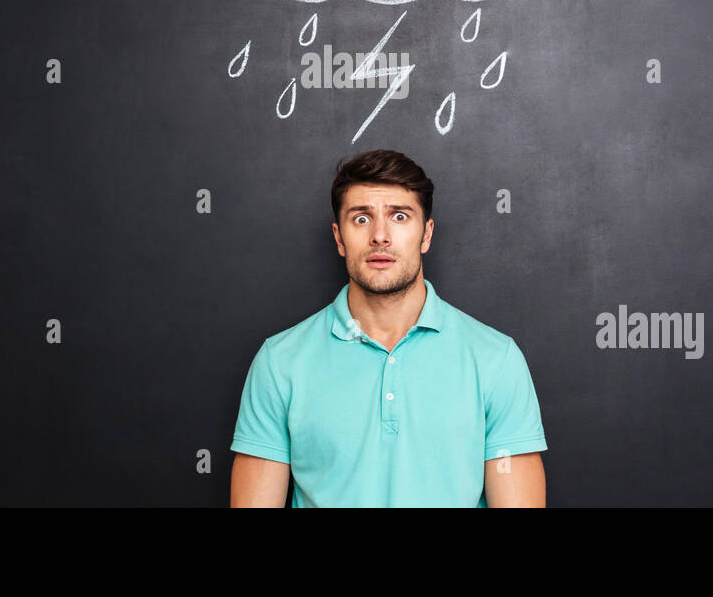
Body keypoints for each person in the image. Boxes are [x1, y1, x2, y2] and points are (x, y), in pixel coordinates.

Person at [229, 148, 547, 507]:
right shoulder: (279, 362)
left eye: (399, 216)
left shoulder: (496, 360)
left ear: (426, 234)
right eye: (361, 219)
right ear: (339, 237)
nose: (380, 235)